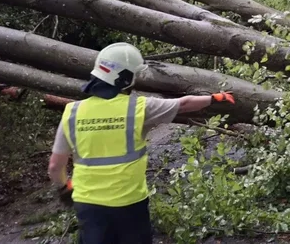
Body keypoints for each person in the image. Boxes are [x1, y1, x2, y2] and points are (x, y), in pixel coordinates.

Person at [47, 42, 236, 244]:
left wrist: (64, 186)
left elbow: (55, 166)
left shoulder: (72, 112)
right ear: (125, 78)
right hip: (129, 204)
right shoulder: (139, 108)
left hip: (88, 205)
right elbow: (184, 104)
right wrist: (215, 98)